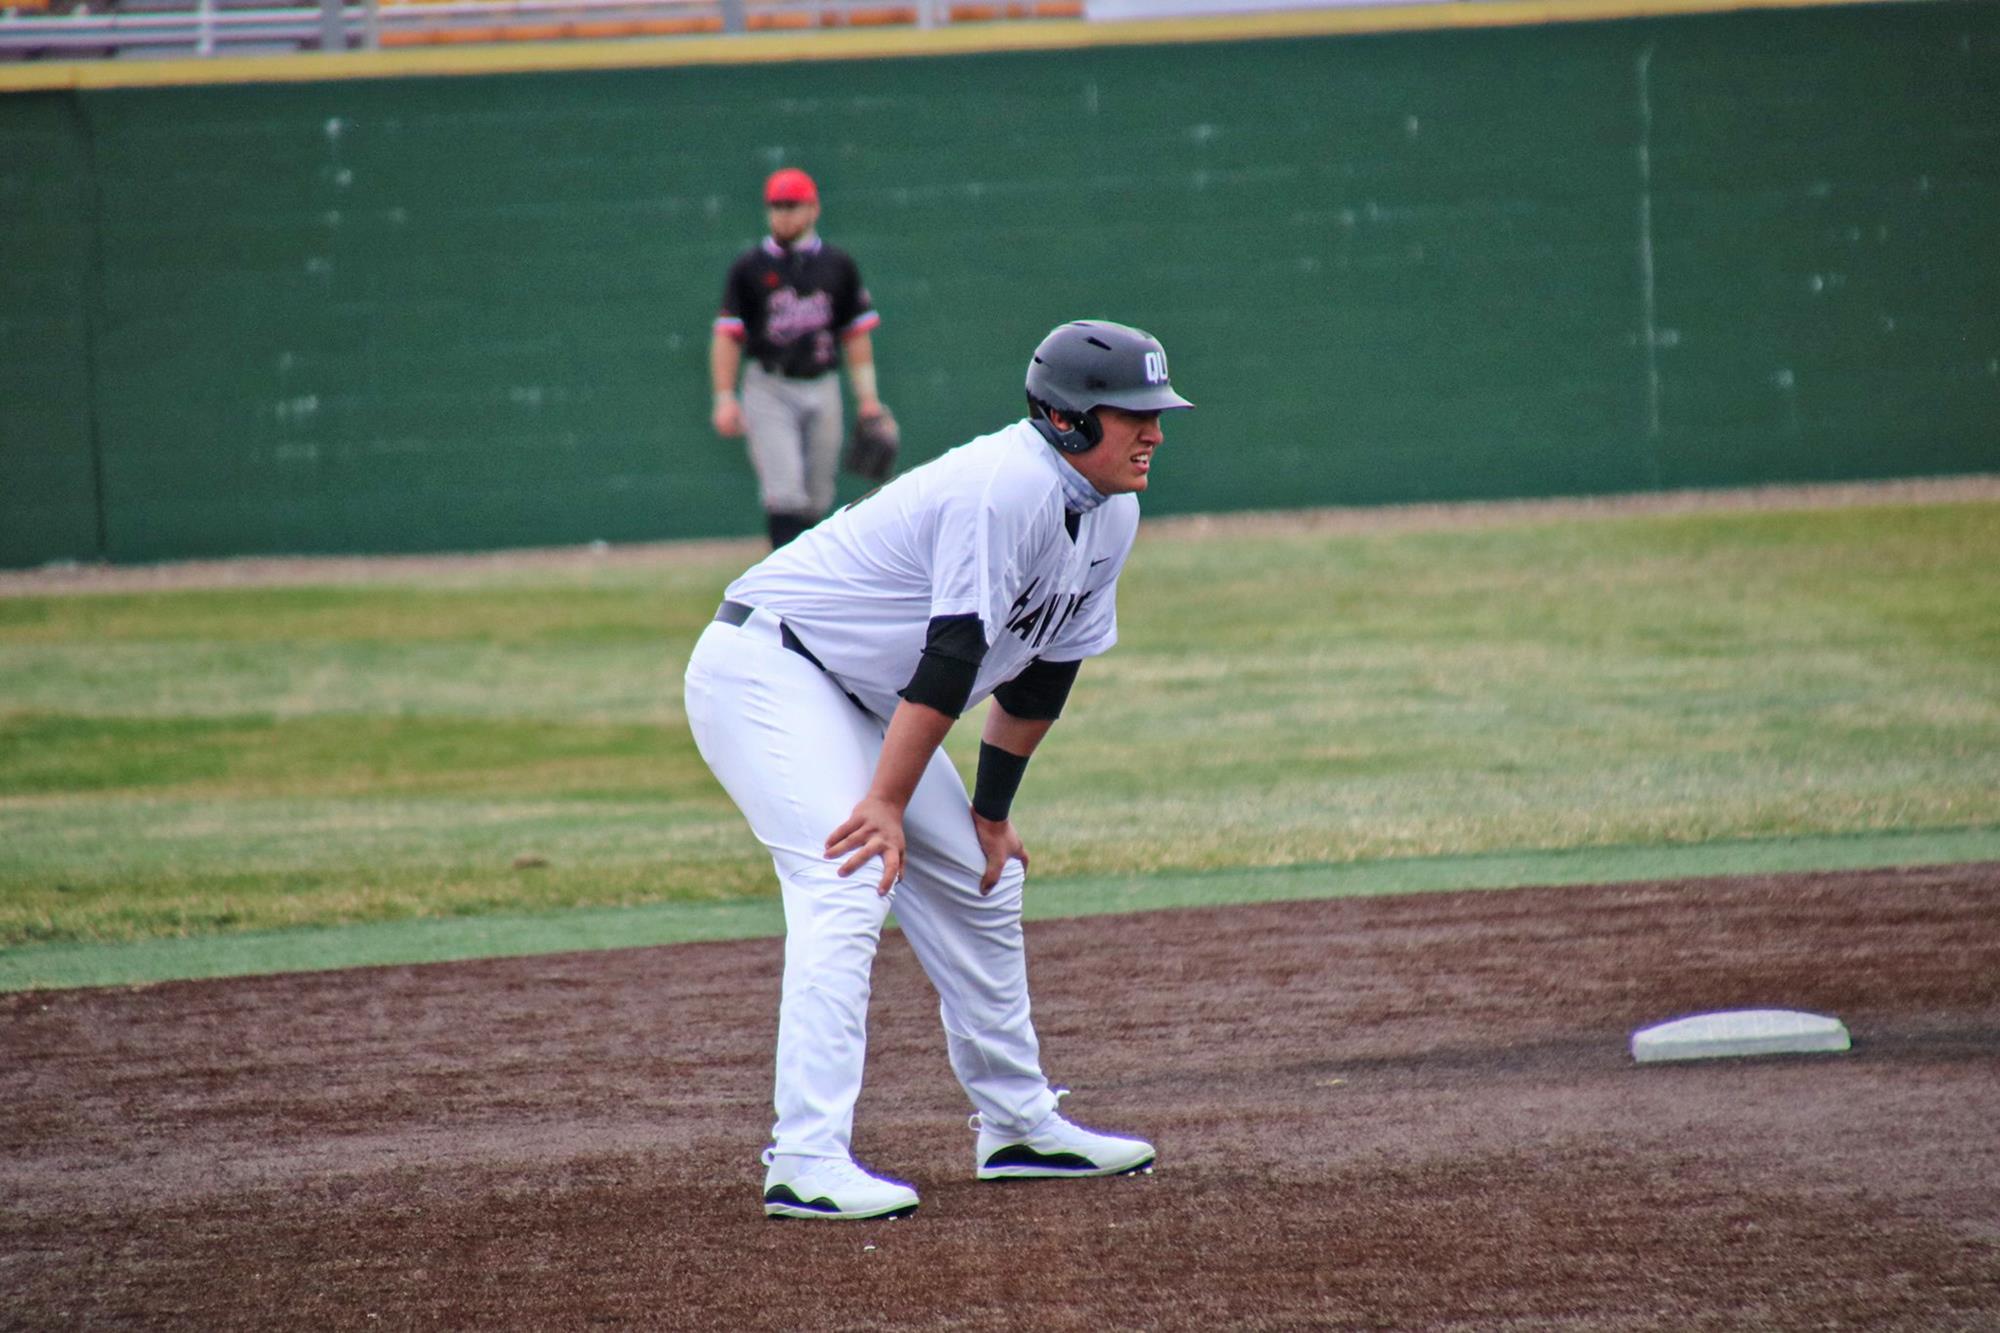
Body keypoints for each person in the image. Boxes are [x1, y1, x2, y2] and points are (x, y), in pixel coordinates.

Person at [683, 319, 1194, 1221]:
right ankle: (805, 1158)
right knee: (847, 874)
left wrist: (990, 812)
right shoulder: (1007, 487)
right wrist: (882, 801)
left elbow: (1046, 669)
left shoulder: (1111, 510)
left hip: (867, 697)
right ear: (1069, 420)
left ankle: (1019, 1127)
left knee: (981, 877)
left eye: (1158, 412)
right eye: (1133, 413)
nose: (1154, 430)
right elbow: (955, 651)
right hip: (768, 668)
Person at [709, 167, 888, 550]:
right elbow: (727, 335)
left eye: (792, 205)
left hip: (823, 384)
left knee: (818, 497)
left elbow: (856, 335)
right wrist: (724, 397)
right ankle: (786, 588)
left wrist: (868, 400)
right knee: (785, 492)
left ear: (813, 209)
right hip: (769, 385)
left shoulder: (838, 266)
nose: (782, 214)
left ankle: (812, 584)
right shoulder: (750, 268)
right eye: (776, 206)